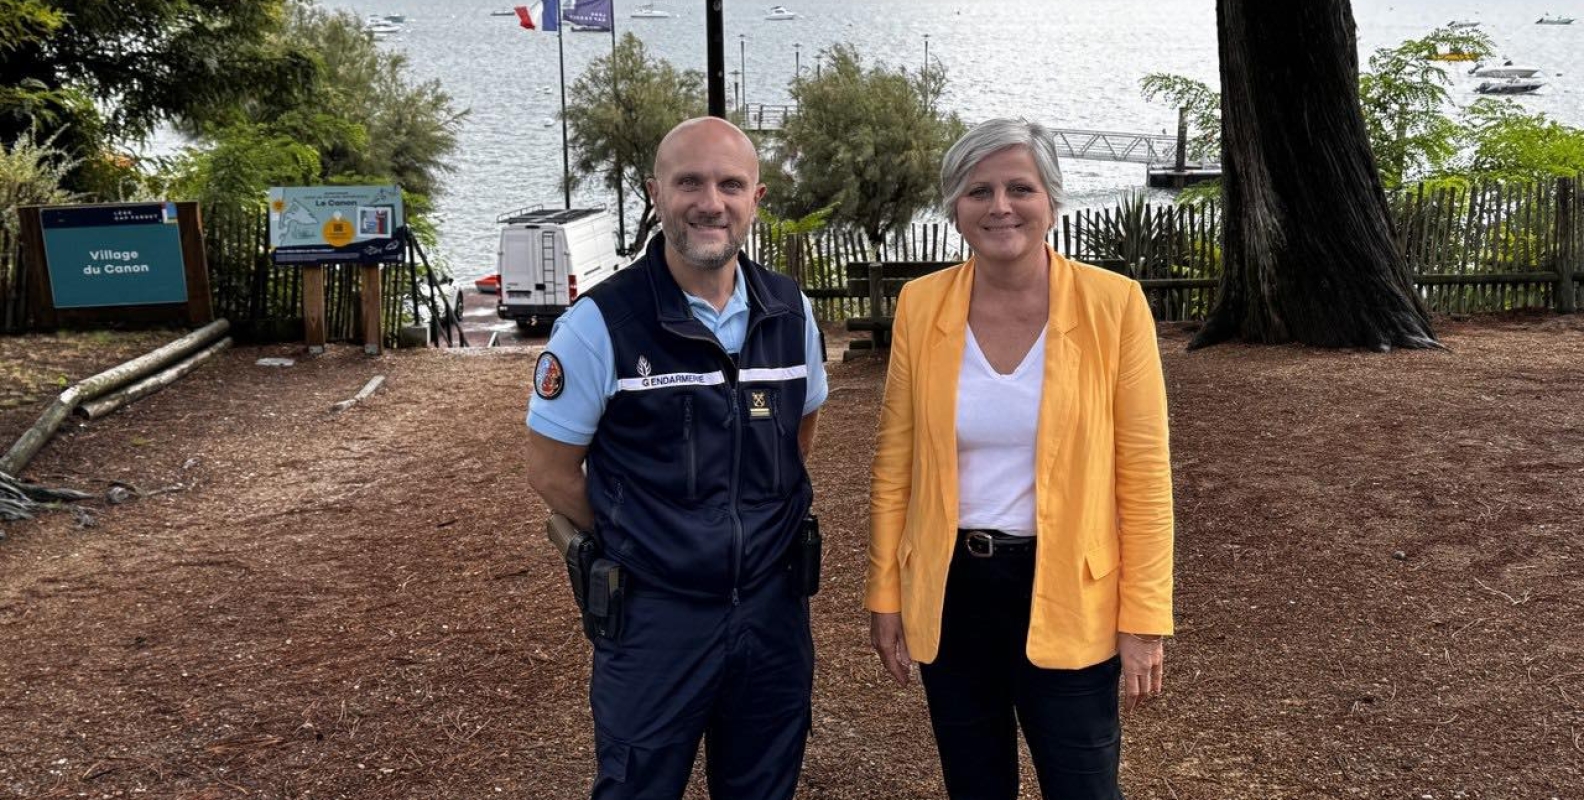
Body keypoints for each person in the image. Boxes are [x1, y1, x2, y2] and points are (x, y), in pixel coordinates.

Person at [864, 118, 1175, 800]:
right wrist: (886, 596)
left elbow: (1146, 479)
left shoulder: (1114, 306)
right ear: (955, 208)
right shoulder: (922, 305)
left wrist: (1145, 619)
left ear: (1051, 202)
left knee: (1085, 788)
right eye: (979, 191)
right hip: (952, 591)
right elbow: (895, 468)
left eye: (1019, 188)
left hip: (1070, 592)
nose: (1000, 206)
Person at [525, 116, 828, 800]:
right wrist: (645, 537)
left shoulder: (791, 312)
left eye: (730, 184)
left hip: (773, 611)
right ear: (656, 192)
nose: (710, 202)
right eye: (689, 181)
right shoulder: (599, 325)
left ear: (757, 198)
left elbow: (797, 437)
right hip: (655, 621)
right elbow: (548, 470)